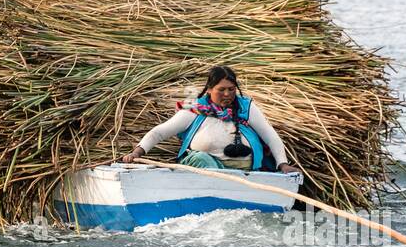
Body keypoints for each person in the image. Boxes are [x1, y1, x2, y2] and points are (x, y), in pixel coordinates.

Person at [121, 65, 299, 173]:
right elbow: (160, 132)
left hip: (244, 174)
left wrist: (282, 164)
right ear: (209, 90)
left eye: (231, 89)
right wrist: (137, 152)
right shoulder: (195, 108)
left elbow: (270, 135)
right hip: (205, 171)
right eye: (221, 90)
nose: (228, 94)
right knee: (203, 159)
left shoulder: (246, 107)